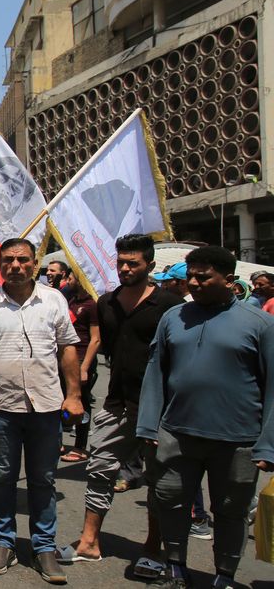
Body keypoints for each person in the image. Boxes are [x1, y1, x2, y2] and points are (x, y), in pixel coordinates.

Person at [137, 246, 274, 589]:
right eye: (191, 276)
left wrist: (268, 444)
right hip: (176, 434)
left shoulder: (260, 324)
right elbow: (156, 372)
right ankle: (175, 569)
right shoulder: (174, 318)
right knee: (170, 501)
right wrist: (148, 425)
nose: (194, 283)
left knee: (230, 510)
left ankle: (224, 576)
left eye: (203, 277)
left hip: (237, 440)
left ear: (229, 280)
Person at [0, 238, 83, 584]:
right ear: (0, 265)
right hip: (2, 408)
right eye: (8, 260)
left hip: (47, 407)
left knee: (43, 480)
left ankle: (44, 547)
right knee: (4, 479)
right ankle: (4, 542)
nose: (16, 266)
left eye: (23, 260)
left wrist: (74, 395)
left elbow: (68, 349)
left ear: (34, 264)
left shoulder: (54, 300)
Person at [59, 234, 183, 579]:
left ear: (150, 265)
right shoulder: (107, 303)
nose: (125, 269)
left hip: (159, 408)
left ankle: (153, 548)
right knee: (100, 469)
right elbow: (107, 346)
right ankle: (89, 542)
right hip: (117, 404)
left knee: (159, 480)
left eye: (133, 263)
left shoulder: (170, 304)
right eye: (121, 263)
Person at [60, 279, 100, 463]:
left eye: (72, 277)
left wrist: (84, 368)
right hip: (66, 358)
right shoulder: (71, 300)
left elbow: (96, 339)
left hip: (82, 359)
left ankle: (80, 446)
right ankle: (59, 439)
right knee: (63, 401)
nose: (68, 280)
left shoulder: (92, 304)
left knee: (82, 403)